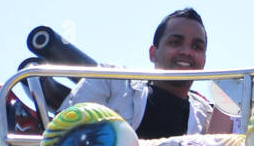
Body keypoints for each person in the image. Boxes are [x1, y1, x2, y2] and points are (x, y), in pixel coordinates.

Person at [59, 8, 234, 138]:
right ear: (153, 53)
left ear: (203, 61)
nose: (186, 52)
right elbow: (65, 137)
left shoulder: (207, 118)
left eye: (197, 47)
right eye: (175, 42)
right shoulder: (110, 79)